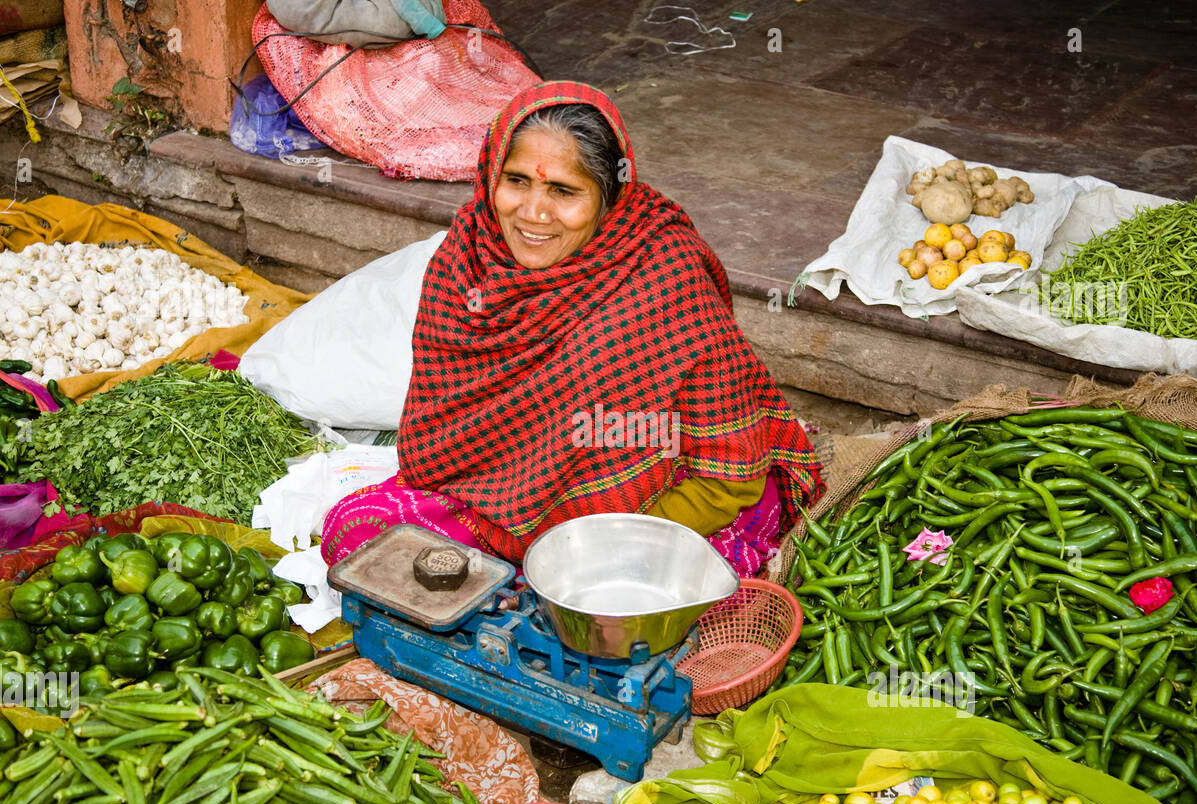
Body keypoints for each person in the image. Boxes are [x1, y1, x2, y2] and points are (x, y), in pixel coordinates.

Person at [322, 81, 824, 576]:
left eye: (564, 191)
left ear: (609, 197)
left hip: (648, 508)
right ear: (490, 173)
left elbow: (727, 475)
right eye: (517, 181)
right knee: (356, 530)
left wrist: (599, 549)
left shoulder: (666, 274)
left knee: (625, 605)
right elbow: (439, 439)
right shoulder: (467, 257)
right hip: (490, 504)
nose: (534, 213)